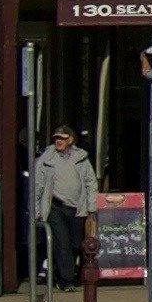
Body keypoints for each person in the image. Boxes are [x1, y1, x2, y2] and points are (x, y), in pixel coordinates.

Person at [35, 123, 98, 290]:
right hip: (55, 207)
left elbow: (91, 182)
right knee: (62, 242)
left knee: (76, 244)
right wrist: (37, 210)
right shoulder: (47, 159)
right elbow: (37, 186)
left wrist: (91, 207)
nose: (58, 141)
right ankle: (66, 281)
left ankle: (61, 272)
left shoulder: (81, 158)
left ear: (70, 140)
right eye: (56, 138)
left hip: (77, 208)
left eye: (62, 138)